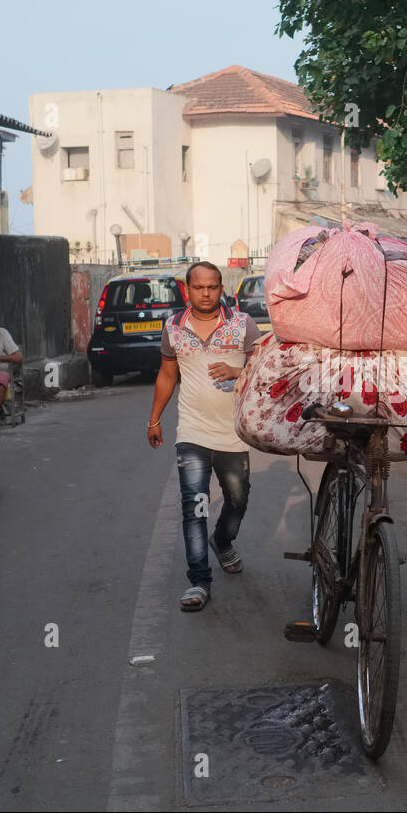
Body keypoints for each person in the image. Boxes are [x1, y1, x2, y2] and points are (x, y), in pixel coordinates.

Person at [148, 262, 261, 611]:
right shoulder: (174, 328)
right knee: (194, 507)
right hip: (192, 433)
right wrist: (154, 419)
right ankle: (199, 580)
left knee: (237, 500)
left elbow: (262, 372)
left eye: (213, 286)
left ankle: (223, 542)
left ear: (221, 287)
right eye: (199, 287)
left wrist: (236, 371)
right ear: (188, 290)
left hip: (233, 433)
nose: (207, 293)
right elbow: (167, 375)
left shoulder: (242, 325)